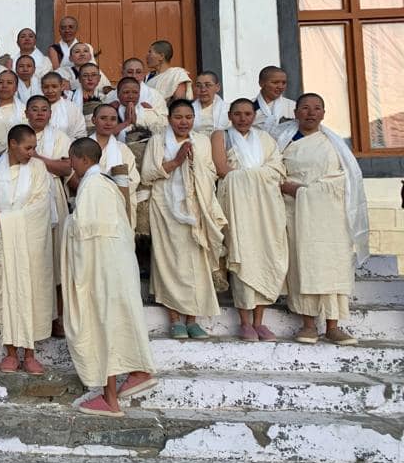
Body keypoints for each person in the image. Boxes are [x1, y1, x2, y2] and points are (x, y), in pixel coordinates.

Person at [62, 138, 157, 418]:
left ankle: (112, 398)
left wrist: (67, 223)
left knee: (105, 325)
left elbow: (87, 230)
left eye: (71, 159)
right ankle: (137, 372)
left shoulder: (92, 186)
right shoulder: (107, 184)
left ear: (80, 159)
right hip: (117, 265)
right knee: (116, 322)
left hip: (102, 270)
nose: (70, 164)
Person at [277, 93, 368, 346]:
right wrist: (293, 191)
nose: (311, 112)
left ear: (324, 113)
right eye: (305, 108)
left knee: (331, 265)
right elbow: (274, 171)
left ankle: (333, 326)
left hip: (329, 216)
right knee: (302, 264)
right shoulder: (283, 140)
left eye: (317, 108)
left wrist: (302, 191)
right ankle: (307, 325)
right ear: (296, 112)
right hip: (295, 213)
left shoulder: (333, 144)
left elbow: (342, 179)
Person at [141, 100, 227, 339]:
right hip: (166, 208)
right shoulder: (157, 141)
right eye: (178, 117)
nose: (183, 122)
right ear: (169, 118)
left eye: (188, 117)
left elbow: (210, 171)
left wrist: (194, 172)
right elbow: (148, 174)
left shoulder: (201, 141)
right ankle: (175, 319)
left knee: (196, 264)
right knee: (170, 262)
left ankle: (193, 319)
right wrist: (177, 161)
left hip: (195, 208)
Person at [211, 99, 288, 342]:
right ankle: (245, 322)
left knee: (265, 255)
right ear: (230, 116)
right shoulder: (221, 136)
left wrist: (247, 175)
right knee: (243, 256)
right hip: (236, 203)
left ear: (254, 116)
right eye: (237, 114)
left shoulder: (265, 140)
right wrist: (254, 176)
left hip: (265, 207)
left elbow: (277, 169)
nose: (243, 118)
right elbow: (222, 169)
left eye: (247, 114)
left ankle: (260, 321)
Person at [0, 125, 54, 374]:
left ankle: (31, 353)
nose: (32, 153)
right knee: (7, 292)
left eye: (34, 147)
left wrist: (9, 221)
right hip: (0, 237)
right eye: (28, 147)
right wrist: (2, 220)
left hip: (29, 242)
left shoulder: (38, 168)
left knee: (29, 292)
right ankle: (11, 352)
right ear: (12, 144)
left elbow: (41, 204)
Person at [25, 95, 73, 337]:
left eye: (44, 109)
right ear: (26, 113)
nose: (40, 113)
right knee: (34, 259)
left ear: (50, 114)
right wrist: (48, 163)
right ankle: (36, 317)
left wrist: (35, 158)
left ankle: (59, 317)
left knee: (56, 257)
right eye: (35, 109)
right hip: (26, 197)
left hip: (54, 195)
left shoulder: (61, 138)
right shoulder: (19, 135)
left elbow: (66, 168)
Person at [89, 104, 141, 229]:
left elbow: (133, 179)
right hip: (91, 202)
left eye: (113, 119)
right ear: (93, 120)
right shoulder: (84, 146)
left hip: (119, 203)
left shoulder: (122, 149)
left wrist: (111, 192)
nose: (108, 123)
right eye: (103, 118)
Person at [111, 77, 168, 141]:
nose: (131, 96)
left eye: (135, 92)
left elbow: (162, 130)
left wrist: (150, 112)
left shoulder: (146, 111)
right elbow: (104, 134)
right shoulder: (111, 110)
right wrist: (126, 122)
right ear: (118, 94)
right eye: (126, 92)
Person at [0, 70, 25, 154]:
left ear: (16, 88)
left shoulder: (24, 111)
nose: (4, 86)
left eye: (9, 83)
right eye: (0, 82)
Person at [41, 72, 86, 141]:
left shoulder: (72, 108)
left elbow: (80, 133)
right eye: (46, 87)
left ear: (62, 87)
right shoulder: (35, 107)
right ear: (41, 88)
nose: (50, 91)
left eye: (54, 86)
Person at [254, 65, 296, 134]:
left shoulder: (293, 106)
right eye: (275, 82)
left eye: (283, 83)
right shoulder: (248, 107)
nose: (280, 86)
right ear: (261, 83)